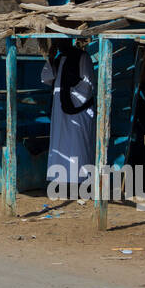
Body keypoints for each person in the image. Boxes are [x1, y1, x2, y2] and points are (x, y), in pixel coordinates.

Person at [41, 41, 97, 202]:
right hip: (61, 110)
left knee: (78, 145)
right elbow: (47, 78)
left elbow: (87, 84)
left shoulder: (82, 57)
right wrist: (50, 58)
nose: (59, 45)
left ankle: (82, 186)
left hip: (79, 112)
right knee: (61, 146)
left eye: (62, 42)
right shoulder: (59, 59)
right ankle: (61, 185)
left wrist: (72, 99)